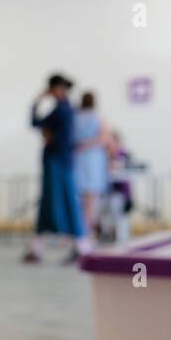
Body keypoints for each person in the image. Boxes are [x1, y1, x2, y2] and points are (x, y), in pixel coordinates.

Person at [25, 74, 81, 263]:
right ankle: (39, 247)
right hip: (59, 161)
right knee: (55, 203)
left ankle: (79, 247)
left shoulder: (63, 110)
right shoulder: (64, 109)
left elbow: (36, 122)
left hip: (59, 162)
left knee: (63, 203)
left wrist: (36, 101)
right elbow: (39, 125)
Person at [72, 91, 110, 244]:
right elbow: (104, 137)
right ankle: (87, 232)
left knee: (80, 199)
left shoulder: (75, 118)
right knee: (91, 198)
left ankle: (79, 231)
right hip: (93, 159)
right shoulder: (98, 118)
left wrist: (82, 145)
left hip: (79, 158)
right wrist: (90, 144)